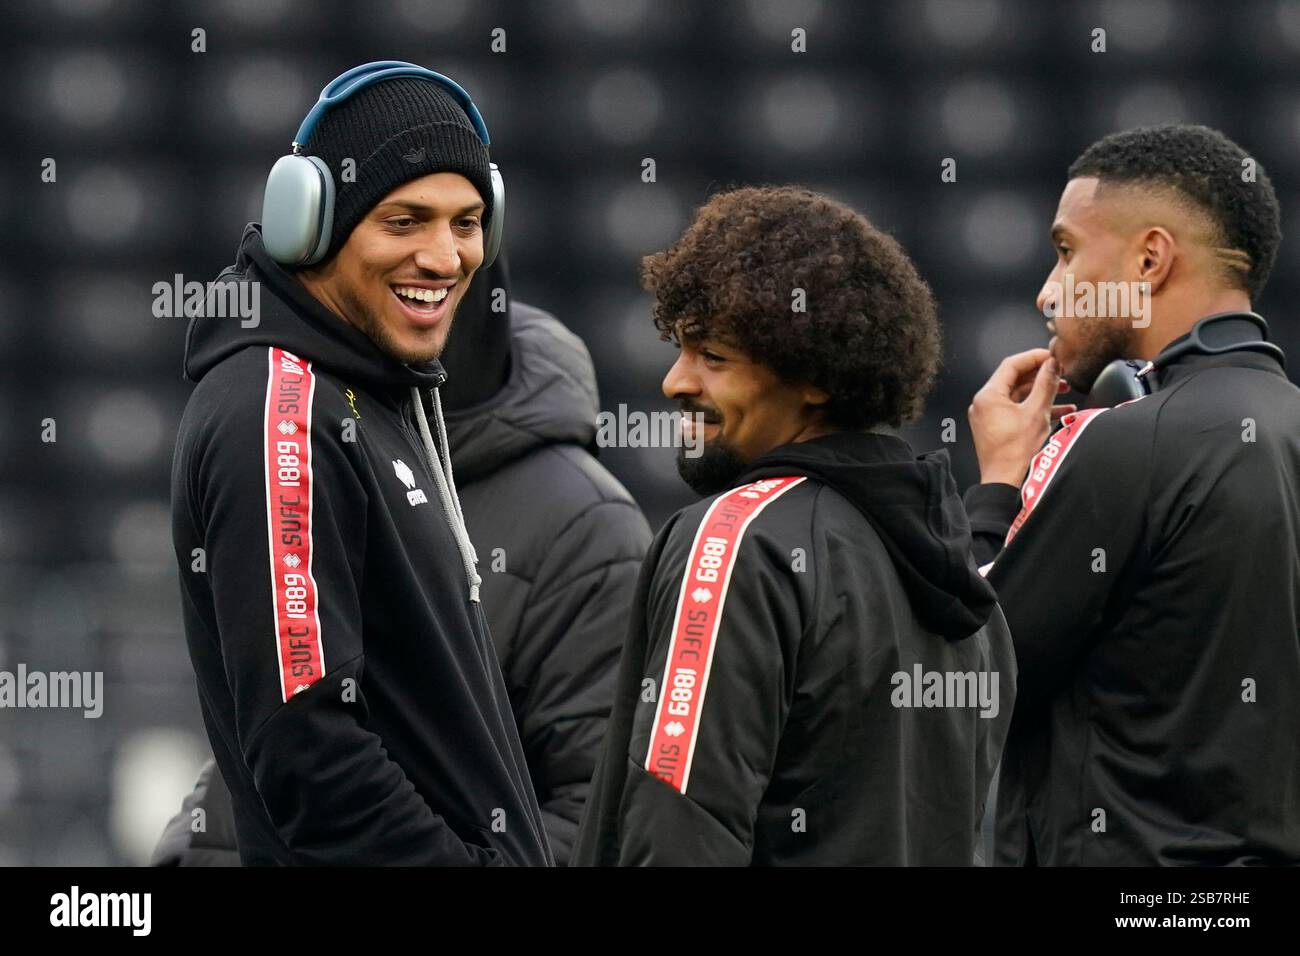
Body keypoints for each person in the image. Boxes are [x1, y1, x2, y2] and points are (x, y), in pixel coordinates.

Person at [171, 63, 551, 864]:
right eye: (405, 220)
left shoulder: (363, 393)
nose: (446, 257)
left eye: (467, 221)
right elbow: (309, 756)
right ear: (308, 224)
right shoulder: (278, 416)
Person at [155, 252, 651, 866]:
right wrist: (195, 849)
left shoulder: (585, 525)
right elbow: (280, 716)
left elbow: (596, 812)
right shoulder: (308, 438)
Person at [573, 186, 1015, 866]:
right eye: (680, 349)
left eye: (711, 356)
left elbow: (679, 829)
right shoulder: (959, 579)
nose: (674, 382)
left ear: (813, 377)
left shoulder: (735, 541)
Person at [965, 124, 1300, 865]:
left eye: (1065, 251)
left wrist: (997, 487)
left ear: (1148, 259)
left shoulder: (1121, 439)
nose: (1047, 291)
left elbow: (963, 682)